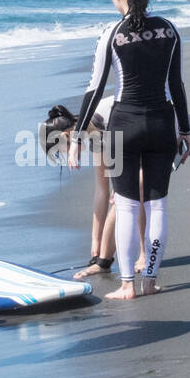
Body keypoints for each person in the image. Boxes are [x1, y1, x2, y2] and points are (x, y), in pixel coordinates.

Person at [68, 0, 190, 299]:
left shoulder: (112, 34)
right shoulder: (169, 29)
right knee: (157, 206)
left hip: (124, 126)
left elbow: (94, 90)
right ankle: (150, 280)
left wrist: (78, 136)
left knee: (126, 206)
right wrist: (184, 128)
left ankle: (127, 285)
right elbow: (176, 85)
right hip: (162, 123)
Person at [41, 103, 117, 278]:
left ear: (66, 135)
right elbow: (101, 191)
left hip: (167, 127)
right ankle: (102, 257)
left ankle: (105, 261)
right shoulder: (93, 134)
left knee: (124, 196)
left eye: (62, 150)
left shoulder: (102, 123)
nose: (68, 154)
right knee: (120, 194)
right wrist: (95, 243)